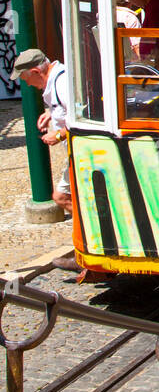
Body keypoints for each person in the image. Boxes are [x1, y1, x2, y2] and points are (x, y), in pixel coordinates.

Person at [12, 48, 78, 271]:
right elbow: (66, 107)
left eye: (27, 79)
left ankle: (89, 245)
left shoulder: (61, 83)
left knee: (61, 196)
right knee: (70, 197)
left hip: (81, 151)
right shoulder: (56, 82)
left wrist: (58, 135)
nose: (28, 85)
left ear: (35, 71)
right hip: (76, 151)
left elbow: (82, 117)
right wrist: (51, 112)